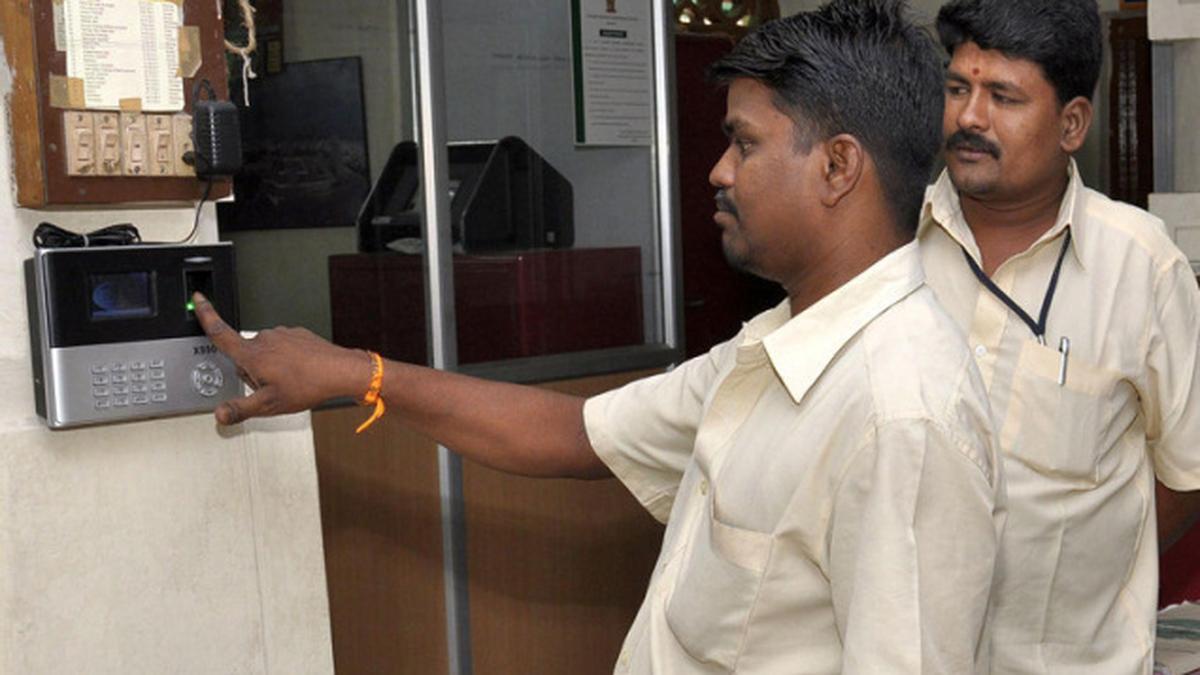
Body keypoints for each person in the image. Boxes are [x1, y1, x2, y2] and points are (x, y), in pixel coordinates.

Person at [196, 1, 1005, 671]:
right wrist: (354, 372)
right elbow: (572, 431)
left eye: (745, 142)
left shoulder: (904, 412)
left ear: (838, 167)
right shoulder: (774, 349)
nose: (719, 170)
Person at [918, 0, 1200, 672]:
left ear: (1072, 123)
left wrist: (1091, 573)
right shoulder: (889, 242)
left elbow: (1186, 473)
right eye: (958, 89)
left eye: (1003, 96)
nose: (969, 117)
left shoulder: (1141, 264)